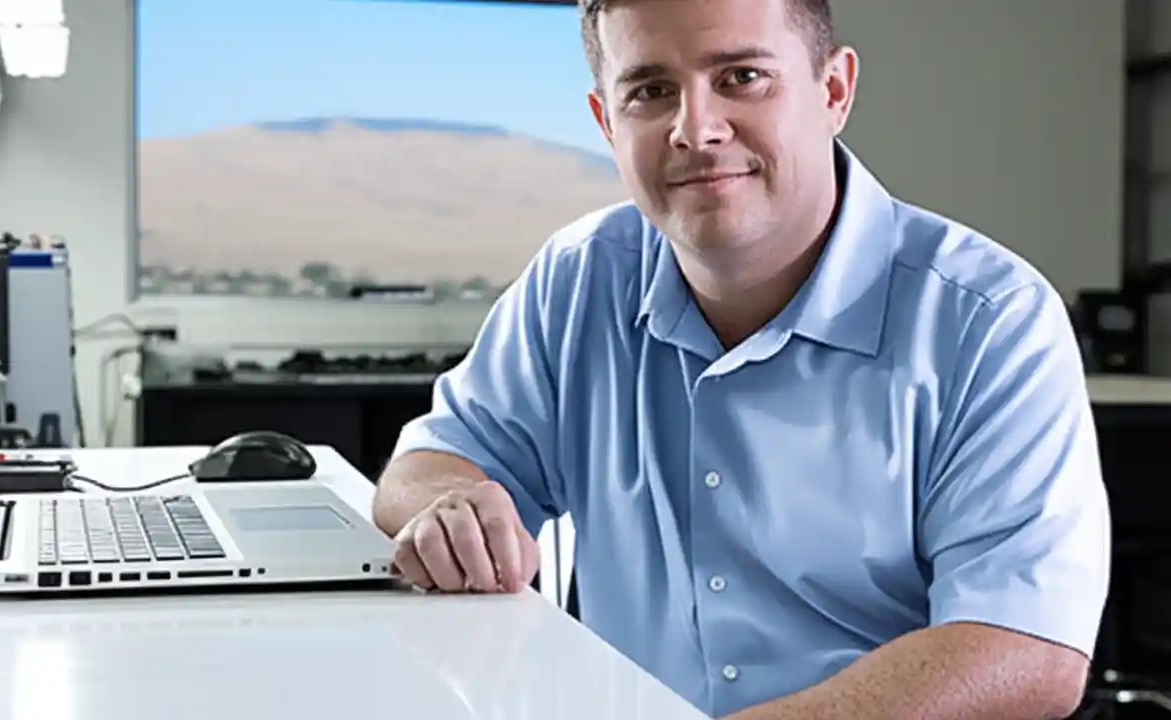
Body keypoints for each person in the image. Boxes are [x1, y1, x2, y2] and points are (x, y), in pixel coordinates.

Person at [371, 0, 1111, 717]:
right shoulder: (579, 279)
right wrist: (450, 506)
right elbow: (427, 466)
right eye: (652, 91)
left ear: (834, 90)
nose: (696, 129)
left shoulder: (990, 320)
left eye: (742, 77)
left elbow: (1028, 650)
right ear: (606, 121)